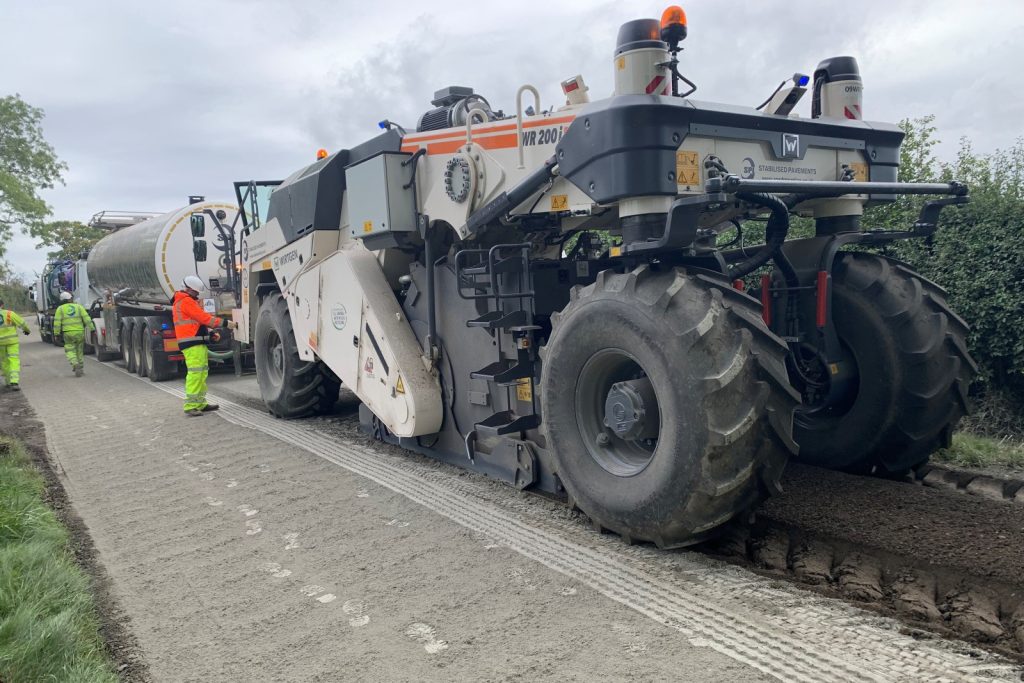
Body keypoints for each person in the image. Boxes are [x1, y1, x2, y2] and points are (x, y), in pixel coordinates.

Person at [172, 275, 236, 416]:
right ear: (188, 289)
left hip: (195, 342)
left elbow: (197, 323)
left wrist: (210, 333)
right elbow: (203, 318)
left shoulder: (186, 301)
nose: (196, 295)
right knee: (196, 373)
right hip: (191, 344)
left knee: (201, 372)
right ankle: (191, 405)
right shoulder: (186, 301)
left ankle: (200, 403)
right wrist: (225, 323)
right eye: (195, 292)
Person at [53, 291, 95, 377]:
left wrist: (56, 334)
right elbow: (86, 318)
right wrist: (92, 329)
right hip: (80, 332)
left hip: (68, 333)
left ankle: (75, 364)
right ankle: (81, 368)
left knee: (69, 349)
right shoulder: (79, 307)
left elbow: (57, 323)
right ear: (70, 299)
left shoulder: (60, 309)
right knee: (79, 351)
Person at [0, 299, 31, 391]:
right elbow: (22, 323)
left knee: (4, 362)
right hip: (11, 342)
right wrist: (27, 330)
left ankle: (8, 381)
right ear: (2, 305)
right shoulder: (9, 313)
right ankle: (14, 381)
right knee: (13, 360)